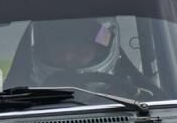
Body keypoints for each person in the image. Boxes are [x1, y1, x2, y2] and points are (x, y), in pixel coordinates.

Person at [15, 17, 155, 98]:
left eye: (81, 51)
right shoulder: (15, 100)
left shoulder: (131, 97)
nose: (68, 57)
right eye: (60, 50)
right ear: (42, 50)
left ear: (99, 52)